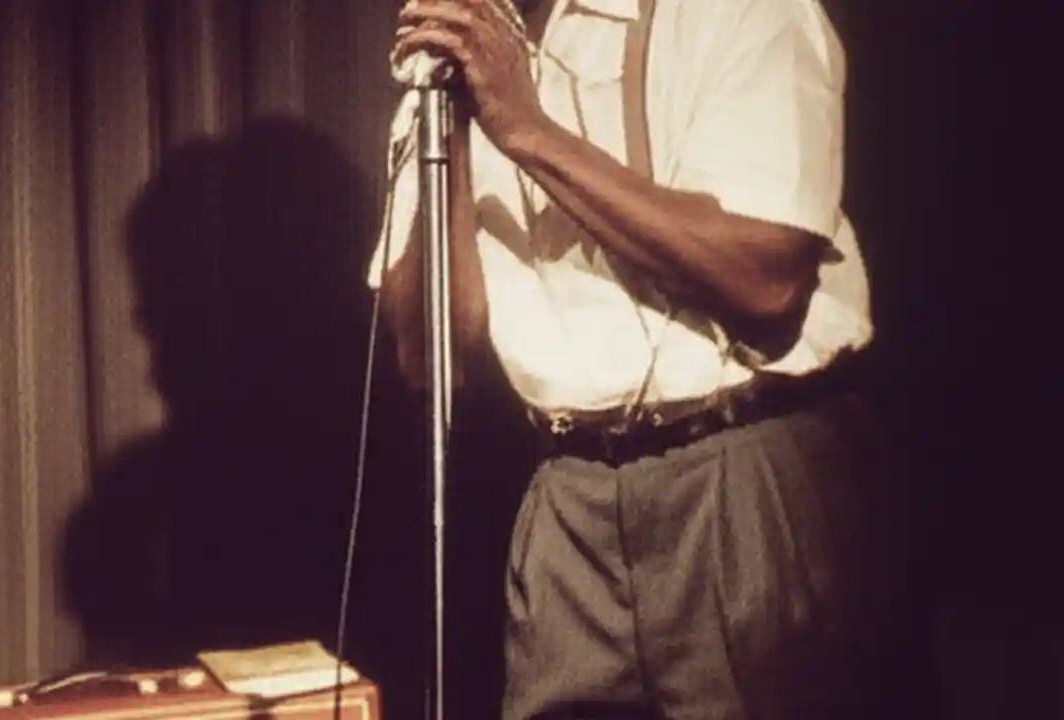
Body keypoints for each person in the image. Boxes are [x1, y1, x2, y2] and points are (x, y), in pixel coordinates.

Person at [371, 0, 897, 717]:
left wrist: (525, 128)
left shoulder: (737, 12)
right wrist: (456, 122)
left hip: (739, 474)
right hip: (568, 500)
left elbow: (765, 280)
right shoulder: (462, 61)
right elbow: (428, 357)